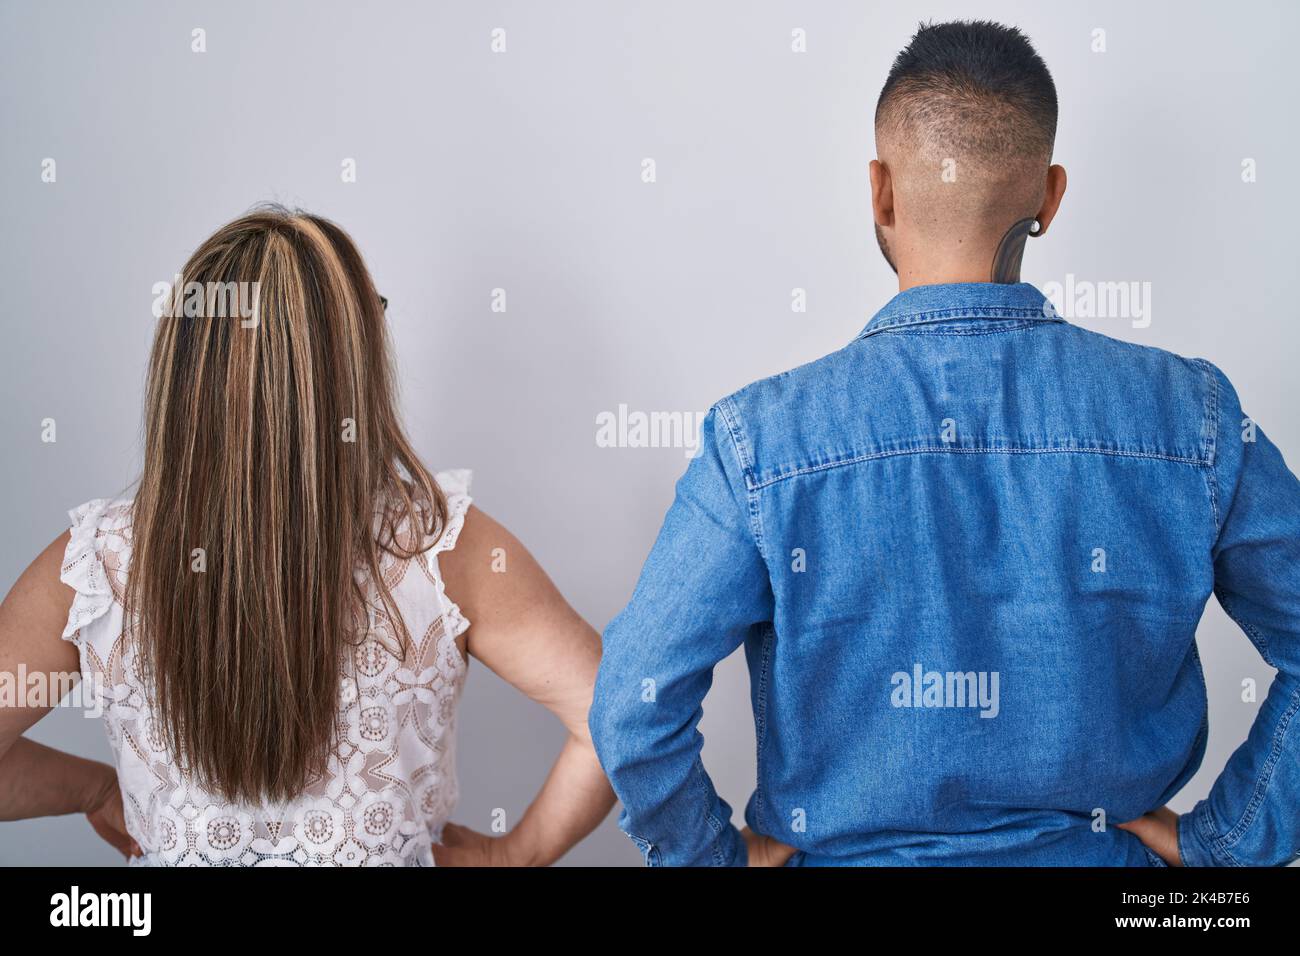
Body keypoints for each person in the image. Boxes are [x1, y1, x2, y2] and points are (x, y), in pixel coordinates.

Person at [589, 20, 1300, 866]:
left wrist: (716, 858)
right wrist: (1224, 847)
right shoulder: (1194, 418)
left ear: (880, 191)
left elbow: (633, 707)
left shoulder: (761, 441)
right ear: (1050, 197)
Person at [0, 207, 613, 866]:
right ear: (353, 365)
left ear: (187, 371)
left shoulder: (95, 568)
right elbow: (620, 719)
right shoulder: (444, 552)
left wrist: (95, 789)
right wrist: (513, 855)